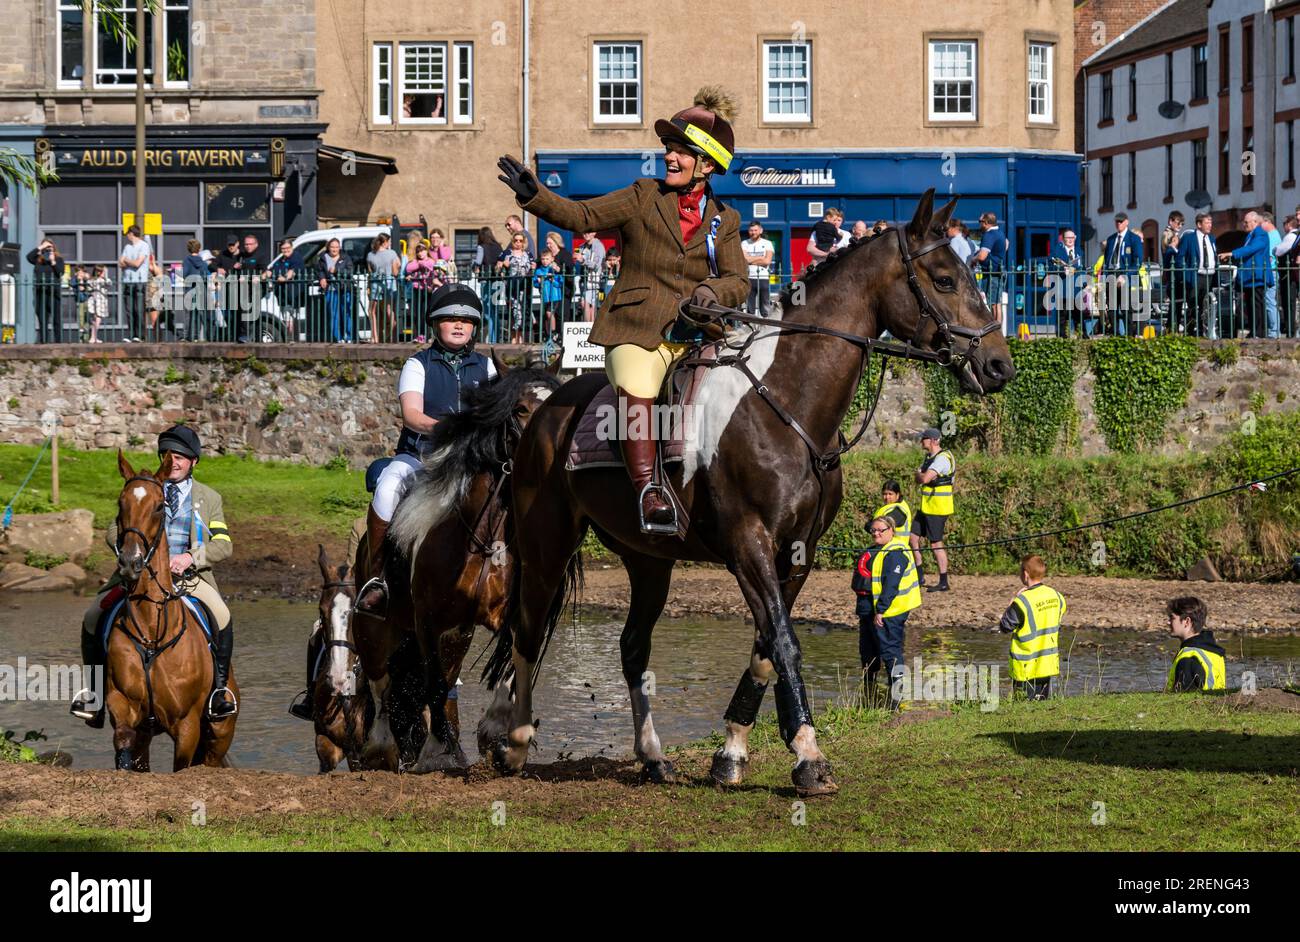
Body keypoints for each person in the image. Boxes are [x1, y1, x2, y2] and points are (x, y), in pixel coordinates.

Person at [497, 85, 748, 533]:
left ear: (706, 166)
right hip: (637, 330)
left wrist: (713, 293)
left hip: (697, 334)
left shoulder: (725, 219)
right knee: (638, 383)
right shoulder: (641, 195)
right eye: (669, 149)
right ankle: (648, 490)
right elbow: (583, 217)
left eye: (681, 152)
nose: (669, 158)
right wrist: (534, 196)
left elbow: (738, 281)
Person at [71, 425, 236, 724]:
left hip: (189, 579)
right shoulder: (144, 489)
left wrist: (190, 558)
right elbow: (113, 530)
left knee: (222, 615)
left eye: (182, 457)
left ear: (194, 461)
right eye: (168, 455)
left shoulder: (209, 498)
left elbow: (223, 544)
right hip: (138, 576)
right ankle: (93, 694)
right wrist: (132, 554)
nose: (174, 461)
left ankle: (219, 692)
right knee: (92, 616)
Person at [356, 283, 498, 615]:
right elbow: (412, 416)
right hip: (421, 458)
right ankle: (377, 579)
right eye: (450, 319)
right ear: (435, 324)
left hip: (471, 461)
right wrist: (452, 429)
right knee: (387, 487)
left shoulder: (487, 367)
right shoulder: (418, 364)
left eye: (467, 321)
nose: (459, 325)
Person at [852, 515, 922, 710]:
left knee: (890, 651)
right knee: (868, 652)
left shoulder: (896, 552)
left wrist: (881, 611)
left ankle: (898, 697)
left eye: (880, 530)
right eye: (873, 530)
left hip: (891, 612)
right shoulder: (878, 550)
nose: (876, 533)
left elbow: (891, 584)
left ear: (892, 531)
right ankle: (869, 693)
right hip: (871, 610)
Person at [998, 554, 1066, 701]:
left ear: (1025, 574)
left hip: (1025, 666)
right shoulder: (1057, 596)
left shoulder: (1022, 601)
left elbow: (1004, 627)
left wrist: (1011, 603)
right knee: (1041, 706)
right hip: (1047, 664)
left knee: (1023, 707)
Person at [911, 427, 953, 592]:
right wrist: (921, 476)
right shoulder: (929, 458)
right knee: (912, 537)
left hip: (938, 508)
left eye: (924, 438)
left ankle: (943, 581)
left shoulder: (942, 459)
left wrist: (921, 475)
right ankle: (919, 575)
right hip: (926, 507)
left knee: (936, 544)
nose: (922, 441)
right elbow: (920, 478)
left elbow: (923, 478)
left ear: (933, 440)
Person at [1222, 210, 1273, 338]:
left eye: (1246, 222)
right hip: (1250, 276)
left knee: (1257, 304)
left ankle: (1259, 332)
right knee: (1251, 304)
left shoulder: (1260, 234)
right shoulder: (1250, 235)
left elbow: (1252, 249)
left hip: (1257, 276)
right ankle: (1254, 330)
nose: (1244, 224)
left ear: (1255, 222)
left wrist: (1232, 253)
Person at [1165, 596, 1226, 692]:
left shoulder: (1189, 657)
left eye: (1172, 618)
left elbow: (1183, 700)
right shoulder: (1213, 651)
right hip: (1214, 705)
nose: (1168, 622)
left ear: (1187, 622)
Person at [1175, 212, 1220, 339]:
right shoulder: (1189, 238)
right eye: (1207, 222)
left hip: (1209, 277)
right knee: (1193, 305)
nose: (1210, 225)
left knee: (1207, 305)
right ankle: (1191, 332)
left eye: (1210, 222)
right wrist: (1185, 277)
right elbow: (1180, 259)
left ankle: (1204, 331)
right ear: (1199, 224)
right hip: (1196, 276)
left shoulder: (1211, 238)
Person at [1098, 212, 1143, 336]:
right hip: (1112, 273)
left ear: (1127, 222)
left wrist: (1126, 276)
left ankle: (1128, 335)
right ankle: (1115, 333)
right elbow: (1106, 260)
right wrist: (1104, 277)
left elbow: (1138, 261)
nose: (1119, 223)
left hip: (1125, 273)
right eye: (1117, 221)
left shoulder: (1134, 238)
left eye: (1121, 221)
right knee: (1112, 308)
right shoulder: (1112, 239)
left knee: (1126, 308)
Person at [496, 230, 535, 343]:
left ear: (524, 242)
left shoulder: (528, 255)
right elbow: (496, 269)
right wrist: (503, 265)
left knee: (524, 312)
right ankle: (514, 338)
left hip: (525, 287)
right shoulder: (506, 253)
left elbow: (532, 269)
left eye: (520, 241)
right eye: (515, 240)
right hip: (512, 287)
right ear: (512, 241)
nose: (518, 242)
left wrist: (533, 267)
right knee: (514, 312)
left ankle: (522, 338)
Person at [970, 212, 1008, 326]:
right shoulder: (999, 232)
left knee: (994, 303)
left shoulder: (989, 234)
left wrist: (973, 259)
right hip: (997, 270)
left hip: (992, 273)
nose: (979, 224)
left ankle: (995, 329)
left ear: (986, 222)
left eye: (980, 222)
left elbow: (982, 256)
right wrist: (998, 255)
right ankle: (998, 329)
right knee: (997, 302)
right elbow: (1007, 243)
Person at [1050, 228, 1089, 337]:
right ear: (1063, 239)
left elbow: (1082, 268)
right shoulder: (1057, 250)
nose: (1070, 240)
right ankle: (1062, 338)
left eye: (1072, 237)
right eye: (1068, 238)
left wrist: (1084, 284)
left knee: (1078, 315)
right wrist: (1062, 270)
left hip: (1077, 288)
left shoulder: (1079, 251)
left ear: (1075, 238)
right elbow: (1051, 268)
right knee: (1062, 316)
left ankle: (1082, 336)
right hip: (1062, 287)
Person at [316, 237, 356, 343]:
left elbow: (350, 272)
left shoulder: (346, 257)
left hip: (344, 288)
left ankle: (348, 337)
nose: (334, 249)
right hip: (331, 289)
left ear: (339, 248)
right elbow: (319, 270)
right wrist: (322, 278)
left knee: (346, 313)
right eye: (332, 247)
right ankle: (338, 338)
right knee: (333, 314)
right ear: (328, 247)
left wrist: (337, 270)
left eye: (336, 247)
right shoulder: (323, 258)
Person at [26, 237, 65, 343]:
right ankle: (44, 342)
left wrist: (53, 262)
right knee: (42, 319)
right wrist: (41, 247)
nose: (48, 249)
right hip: (41, 292)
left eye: (50, 246)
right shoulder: (38, 259)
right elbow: (29, 257)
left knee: (56, 319)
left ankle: (59, 342)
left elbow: (60, 273)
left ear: (53, 247)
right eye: (46, 247)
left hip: (53, 292)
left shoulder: (59, 259)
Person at [366, 232, 401, 343]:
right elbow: (396, 271)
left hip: (375, 284)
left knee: (372, 311)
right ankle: (393, 337)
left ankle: (374, 338)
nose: (390, 244)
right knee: (389, 311)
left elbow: (370, 271)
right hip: (389, 284)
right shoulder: (392, 253)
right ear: (384, 242)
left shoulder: (370, 255)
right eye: (389, 242)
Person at [119, 226, 151, 342]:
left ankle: (140, 335)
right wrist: (127, 262)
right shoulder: (127, 247)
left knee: (139, 309)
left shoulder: (144, 246)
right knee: (129, 309)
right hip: (128, 280)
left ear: (132, 233)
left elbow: (138, 263)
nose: (127, 236)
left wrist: (127, 261)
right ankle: (132, 334)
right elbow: (120, 263)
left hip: (139, 281)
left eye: (128, 233)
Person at [269, 237, 305, 333]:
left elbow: (292, 271)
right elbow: (271, 270)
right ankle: (290, 337)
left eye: (288, 247)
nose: (286, 250)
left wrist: (285, 278)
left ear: (292, 247)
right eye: (283, 248)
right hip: (283, 295)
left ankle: (293, 338)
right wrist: (264, 275)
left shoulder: (296, 257)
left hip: (293, 295)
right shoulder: (281, 259)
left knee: (292, 318)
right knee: (286, 317)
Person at [741, 220, 775, 315]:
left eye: (755, 230)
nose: (753, 233)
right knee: (749, 307)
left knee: (765, 307)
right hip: (749, 278)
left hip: (763, 277)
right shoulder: (744, 243)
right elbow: (745, 260)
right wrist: (760, 258)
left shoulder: (768, 243)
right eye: (751, 230)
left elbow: (767, 261)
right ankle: (750, 326)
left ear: (760, 231)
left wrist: (751, 260)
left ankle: (765, 326)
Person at [575, 229, 606, 322]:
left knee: (592, 305)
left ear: (594, 233)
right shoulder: (581, 246)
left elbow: (597, 265)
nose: (586, 234)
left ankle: (590, 328)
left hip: (595, 280)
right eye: (584, 232)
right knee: (584, 303)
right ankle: (587, 327)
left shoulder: (598, 246)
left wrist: (583, 261)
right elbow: (577, 260)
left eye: (588, 232)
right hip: (584, 280)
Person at [1160, 210, 1184, 330]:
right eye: (1178, 223)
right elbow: (1170, 251)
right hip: (1172, 272)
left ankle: (1172, 326)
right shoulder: (1168, 234)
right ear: (1171, 221)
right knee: (1176, 302)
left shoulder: (1172, 233)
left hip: (1172, 271)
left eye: (1182, 224)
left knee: (1177, 303)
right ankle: (1171, 327)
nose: (1180, 226)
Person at [1260, 211, 1282, 339]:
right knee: (1270, 301)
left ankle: (1274, 331)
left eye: (1261, 223)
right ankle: (1273, 330)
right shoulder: (1274, 234)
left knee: (1270, 301)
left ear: (1267, 222)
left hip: (1271, 272)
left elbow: (1269, 257)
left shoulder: (1272, 236)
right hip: (1271, 271)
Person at [405, 241, 439, 323]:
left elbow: (431, 267)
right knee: (416, 313)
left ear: (426, 251)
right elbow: (408, 268)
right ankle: (418, 334)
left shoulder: (431, 261)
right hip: (416, 289)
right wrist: (420, 264)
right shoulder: (416, 261)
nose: (420, 253)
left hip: (427, 289)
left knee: (425, 312)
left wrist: (421, 264)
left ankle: (425, 333)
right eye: (418, 252)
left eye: (422, 251)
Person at [534, 249, 563, 340]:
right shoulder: (538, 271)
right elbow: (535, 283)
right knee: (546, 316)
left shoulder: (554, 269)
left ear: (552, 259)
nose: (545, 261)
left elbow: (560, 283)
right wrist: (539, 282)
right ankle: (548, 334)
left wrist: (553, 281)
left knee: (549, 313)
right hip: (544, 296)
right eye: (543, 259)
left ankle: (554, 332)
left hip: (554, 296)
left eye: (547, 259)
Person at [85, 264, 110, 344]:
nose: (100, 273)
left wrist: (105, 275)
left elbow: (109, 283)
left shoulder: (105, 280)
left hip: (101, 301)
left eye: (101, 271)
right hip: (94, 300)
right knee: (96, 320)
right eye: (98, 271)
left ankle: (94, 337)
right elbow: (89, 288)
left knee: (97, 320)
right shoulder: (92, 280)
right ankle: (93, 337)